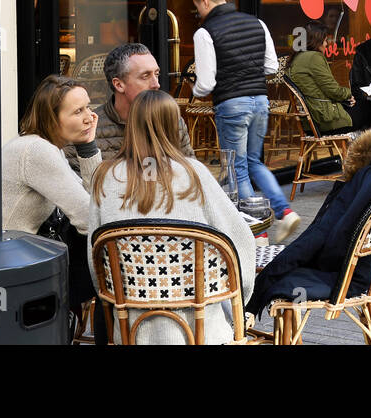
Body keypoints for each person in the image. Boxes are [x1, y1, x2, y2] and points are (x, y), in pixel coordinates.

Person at [88, 89, 256, 345]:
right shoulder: (194, 174)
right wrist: (237, 300)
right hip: (199, 326)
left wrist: (116, 298)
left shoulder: (105, 177)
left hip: (132, 326)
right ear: (174, 124)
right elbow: (242, 244)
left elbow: (95, 259)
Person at [0, 75, 102, 315]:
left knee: (105, 264)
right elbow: (89, 217)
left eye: (88, 107)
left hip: (20, 254)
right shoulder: (36, 150)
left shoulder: (45, 146)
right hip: (2, 266)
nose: (89, 117)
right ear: (52, 117)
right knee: (110, 269)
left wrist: (87, 147)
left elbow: (90, 197)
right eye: (78, 111)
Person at [190, 0, 300, 244]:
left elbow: (206, 83)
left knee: (237, 168)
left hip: (231, 104)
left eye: (197, 7)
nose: (198, 13)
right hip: (260, 101)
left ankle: (258, 232)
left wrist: (193, 92)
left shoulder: (205, 33)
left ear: (204, 2)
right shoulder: (257, 23)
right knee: (254, 162)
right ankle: (284, 211)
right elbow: (272, 67)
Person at [73, 42, 194, 167]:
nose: (156, 84)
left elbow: (191, 174)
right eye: (145, 76)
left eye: (156, 74)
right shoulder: (87, 129)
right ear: (119, 85)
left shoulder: (172, 120)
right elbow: (80, 184)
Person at [287, 25, 354, 134]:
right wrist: (350, 94)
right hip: (324, 120)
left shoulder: (297, 57)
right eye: (325, 40)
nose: (327, 44)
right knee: (368, 108)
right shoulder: (314, 57)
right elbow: (333, 91)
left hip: (309, 121)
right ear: (316, 41)